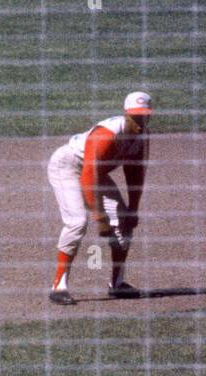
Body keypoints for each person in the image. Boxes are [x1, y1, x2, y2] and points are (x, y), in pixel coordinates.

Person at [47, 90, 152, 303]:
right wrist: (100, 217)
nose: (140, 121)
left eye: (145, 116)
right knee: (77, 221)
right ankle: (58, 287)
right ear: (126, 115)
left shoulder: (142, 138)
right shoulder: (107, 134)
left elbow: (135, 174)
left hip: (94, 173)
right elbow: (88, 176)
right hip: (67, 167)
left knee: (124, 219)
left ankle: (118, 284)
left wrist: (133, 209)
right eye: (136, 116)